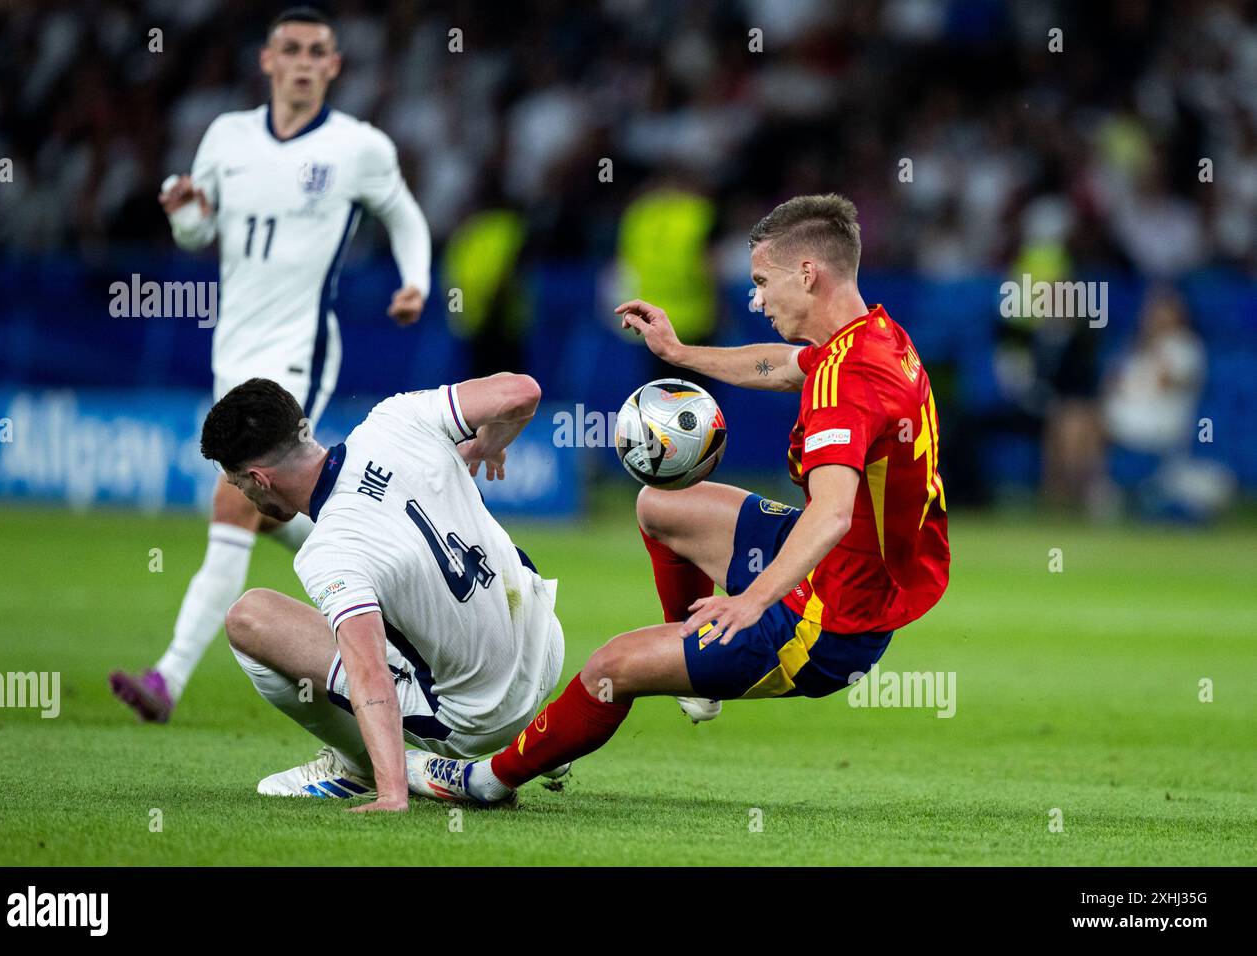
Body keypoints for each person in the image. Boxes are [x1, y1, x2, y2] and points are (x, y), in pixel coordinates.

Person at [399, 194, 951, 805]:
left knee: (610, 670)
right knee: (661, 505)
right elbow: (780, 366)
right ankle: (698, 672)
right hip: (849, 565)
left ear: (808, 274)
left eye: (762, 283)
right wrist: (680, 354)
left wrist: (750, 604)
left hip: (832, 619)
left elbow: (832, 512)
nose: (757, 300)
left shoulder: (849, 382)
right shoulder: (871, 336)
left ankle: (485, 781)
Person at [110, 7, 432, 722]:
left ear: (334, 66)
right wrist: (183, 211)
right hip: (236, 350)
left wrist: (415, 279)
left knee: (231, 498)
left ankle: (166, 678)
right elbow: (200, 226)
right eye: (291, 49)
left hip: (299, 352)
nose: (304, 61)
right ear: (268, 61)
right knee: (274, 507)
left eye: (319, 51)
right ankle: (408, 586)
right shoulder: (228, 137)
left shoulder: (358, 147)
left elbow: (403, 212)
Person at [200, 374, 564, 809]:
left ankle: (366, 770)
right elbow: (523, 392)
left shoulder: (329, 550)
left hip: (477, 720)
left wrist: (392, 794)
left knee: (249, 618)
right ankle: (537, 737)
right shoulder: (395, 417)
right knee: (401, 612)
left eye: (238, 484)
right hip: (545, 652)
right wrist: (486, 444)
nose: (243, 495)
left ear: (260, 479)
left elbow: (368, 671)